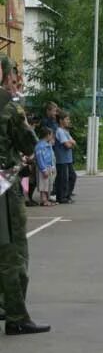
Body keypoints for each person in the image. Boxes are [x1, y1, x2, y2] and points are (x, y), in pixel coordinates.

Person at [0, 56, 50, 335]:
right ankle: (16, 315)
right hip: (4, 185)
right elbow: (29, 144)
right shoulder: (8, 106)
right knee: (13, 251)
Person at [53, 111, 76, 204]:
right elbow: (67, 145)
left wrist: (72, 143)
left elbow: (74, 142)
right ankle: (61, 197)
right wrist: (71, 143)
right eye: (66, 119)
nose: (68, 121)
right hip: (61, 159)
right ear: (61, 120)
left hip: (68, 159)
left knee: (72, 176)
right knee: (62, 179)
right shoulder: (60, 131)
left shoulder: (66, 131)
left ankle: (66, 195)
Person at [34, 127, 57, 207]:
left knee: (48, 184)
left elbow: (51, 156)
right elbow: (39, 158)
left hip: (49, 166)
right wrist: (43, 169)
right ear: (48, 135)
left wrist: (52, 166)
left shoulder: (48, 144)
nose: (52, 136)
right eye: (51, 135)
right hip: (43, 167)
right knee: (43, 184)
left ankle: (46, 199)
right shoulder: (40, 146)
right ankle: (43, 200)